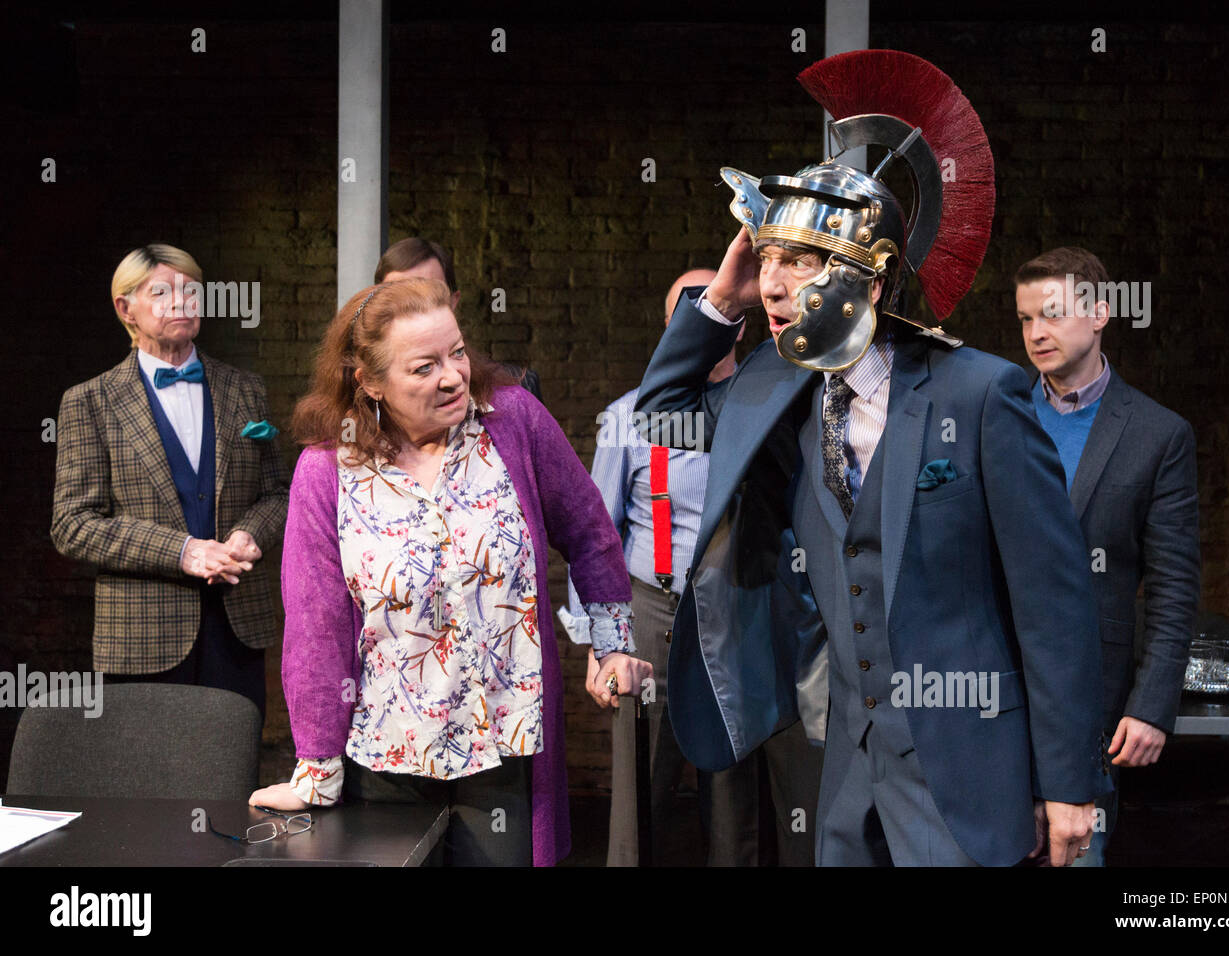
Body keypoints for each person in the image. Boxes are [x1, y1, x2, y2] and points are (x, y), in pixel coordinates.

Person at [635, 49, 1105, 867]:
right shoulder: (774, 390)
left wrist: (1069, 785)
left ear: (874, 279)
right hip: (848, 774)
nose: (776, 285)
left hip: (968, 773)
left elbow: (1054, 607)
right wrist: (724, 294)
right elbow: (665, 416)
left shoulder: (980, 394)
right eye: (768, 258)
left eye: (801, 261)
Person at [250, 277, 651, 867]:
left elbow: (589, 528)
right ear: (368, 382)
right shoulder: (327, 470)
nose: (452, 376)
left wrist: (613, 642)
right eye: (423, 367)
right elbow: (316, 625)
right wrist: (316, 764)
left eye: (457, 353)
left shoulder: (512, 421)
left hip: (506, 748)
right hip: (384, 758)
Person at [560, 268, 823, 866]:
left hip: (734, 607)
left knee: (732, 778)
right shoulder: (629, 416)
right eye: (690, 313)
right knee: (640, 779)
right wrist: (599, 646)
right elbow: (597, 533)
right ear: (675, 331)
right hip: (649, 606)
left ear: (736, 327)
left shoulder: (766, 411)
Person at [1015, 246, 1200, 866]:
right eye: (1025, 319)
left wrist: (1151, 707)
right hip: (989, 692)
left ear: (1100, 313)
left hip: (1093, 700)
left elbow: (1175, 587)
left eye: (1053, 314)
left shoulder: (1157, 433)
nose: (1037, 332)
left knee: (1075, 859)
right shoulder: (995, 410)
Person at [50, 243, 289, 716]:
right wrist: (182, 551)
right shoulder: (90, 402)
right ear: (126, 309)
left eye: (191, 291)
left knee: (230, 774)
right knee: (147, 781)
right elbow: (72, 524)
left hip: (238, 627)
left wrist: (251, 533)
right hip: (141, 637)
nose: (182, 302)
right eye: (162, 292)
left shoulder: (245, 388)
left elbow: (279, 493)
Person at [375, 237, 544, 402]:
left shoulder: (517, 388)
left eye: (432, 295)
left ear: (453, 302)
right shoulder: (361, 392)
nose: (415, 310)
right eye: (398, 296)